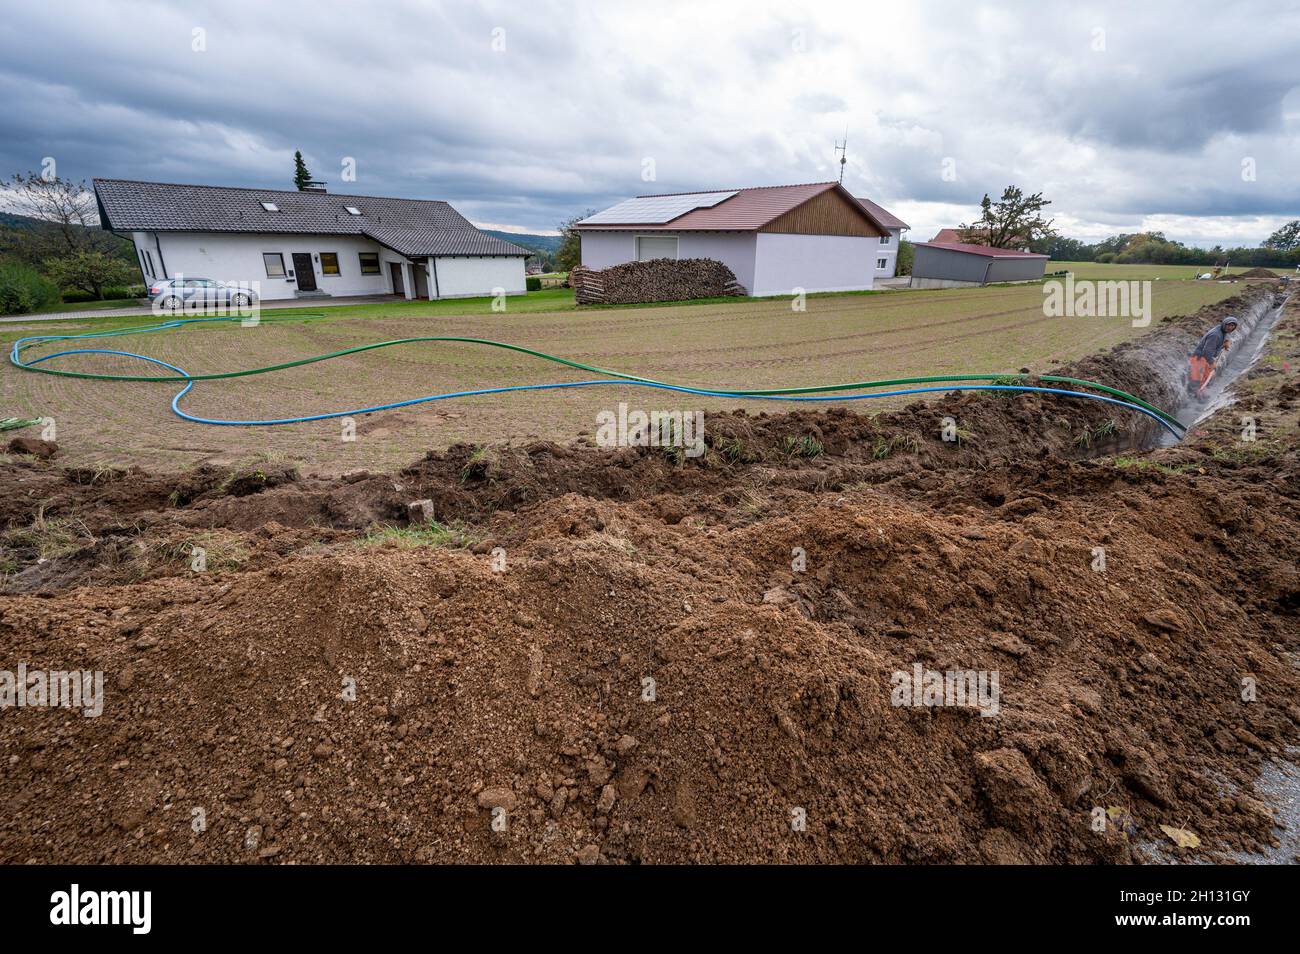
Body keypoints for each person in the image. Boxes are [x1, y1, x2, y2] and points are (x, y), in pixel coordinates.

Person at [1188, 315, 1239, 394]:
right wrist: (1212, 362)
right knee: (1196, 379)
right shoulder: (1215, 335)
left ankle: (1200, 392)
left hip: (1205, 358)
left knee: (1207, 376)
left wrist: (1225, 342)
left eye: (1232, 326)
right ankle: (1193, 397)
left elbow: (1216, 344)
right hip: (1199, 358)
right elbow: (1207, 351)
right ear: (1224, 324)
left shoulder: (1223, 331)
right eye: (1228, 325)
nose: (1230, 327)